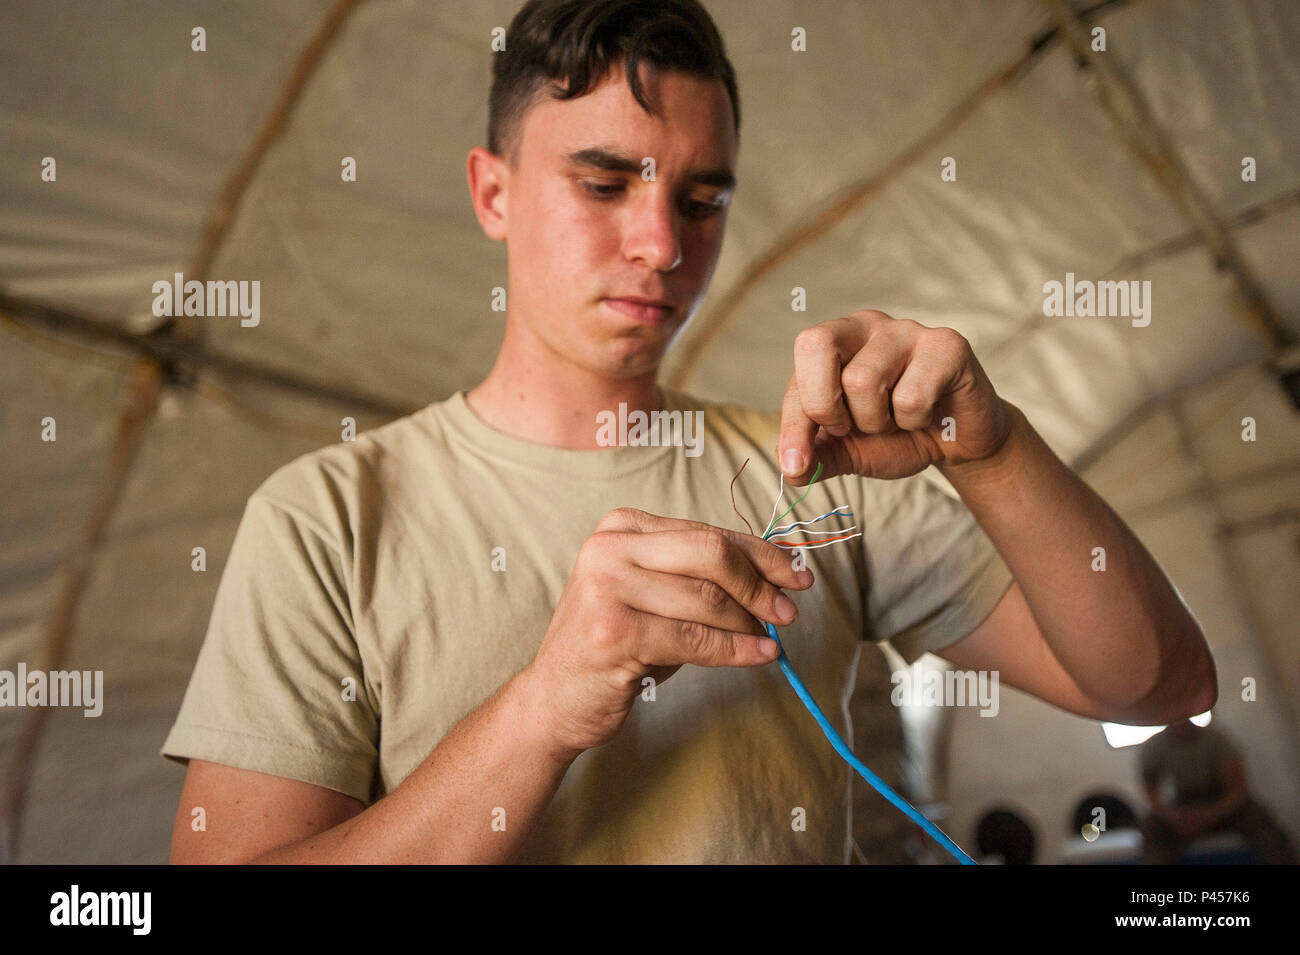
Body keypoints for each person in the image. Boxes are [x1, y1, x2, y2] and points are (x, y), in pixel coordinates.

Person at [161, 0, 1217, 864]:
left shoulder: (815, 476)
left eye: (702, 198)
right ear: (493, 192)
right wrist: (542, 709)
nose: (663, 244)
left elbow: (1160, 683)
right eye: (603, 182)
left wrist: (994, 450)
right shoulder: (327, 518)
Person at [1139, 719, 1296, 864]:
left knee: (1263, 824)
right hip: (1184, 802)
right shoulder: (1155, 745)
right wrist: (1174, 817)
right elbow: (1151, 792)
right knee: (1152, 828)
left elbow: (1238, 790)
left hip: (1221, 799)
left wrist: (1211, 815)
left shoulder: (1215, 739)